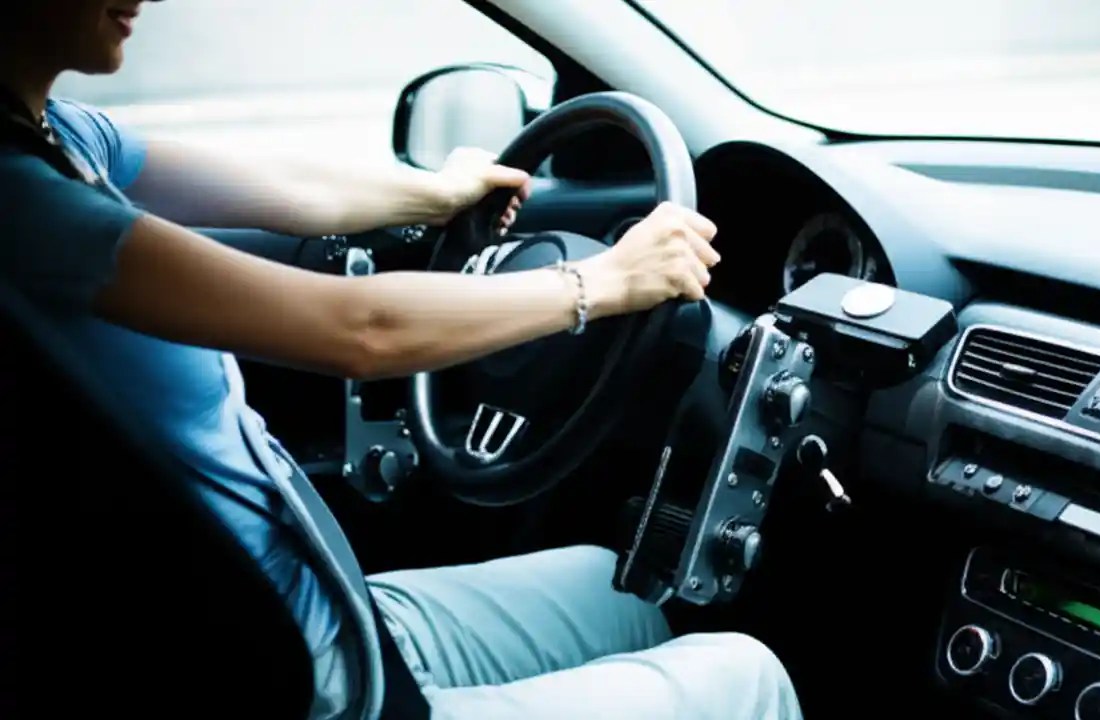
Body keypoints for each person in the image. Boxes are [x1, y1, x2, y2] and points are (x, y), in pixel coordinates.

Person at [0, 2, 803, 719]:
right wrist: (605, 280)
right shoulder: (23, 207)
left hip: (323, 614)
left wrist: (439, 191)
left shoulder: (62, 137)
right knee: (752, 673)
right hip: (303, 678)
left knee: (618, 590)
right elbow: (355, 330)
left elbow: (286, 187)